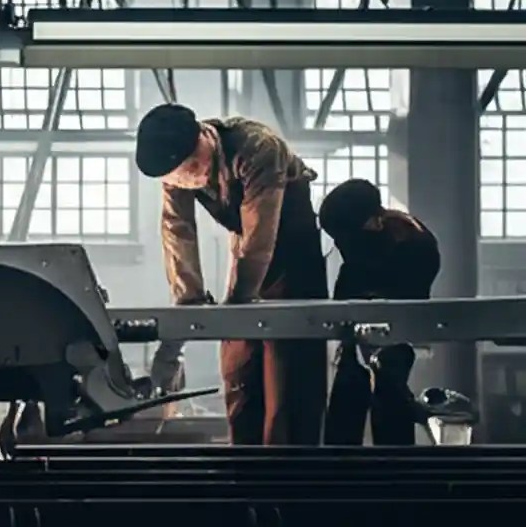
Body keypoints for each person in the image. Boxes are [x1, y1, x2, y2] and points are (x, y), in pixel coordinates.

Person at [135, 103, 329, 446]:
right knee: (238, 369)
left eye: (194, 164)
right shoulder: (175, 174)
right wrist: (189, 299)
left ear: (203, 137)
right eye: (180, 175)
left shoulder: (257, 147)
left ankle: (289, 480)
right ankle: (244, 473)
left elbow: (260, 238)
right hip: (245, 249)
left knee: (287, 376)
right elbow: (177, 230)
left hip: (292, 254)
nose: (192, 176)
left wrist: (240, 305)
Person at [320, 178, 441, 446]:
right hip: (357, 309)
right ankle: (337, 468)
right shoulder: (355, 233)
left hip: (398, 316)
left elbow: (412, 301)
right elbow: (350, 277)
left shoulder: (417, 245)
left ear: (375, 219)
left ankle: (395, 469)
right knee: (348, 388)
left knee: (390, 387)